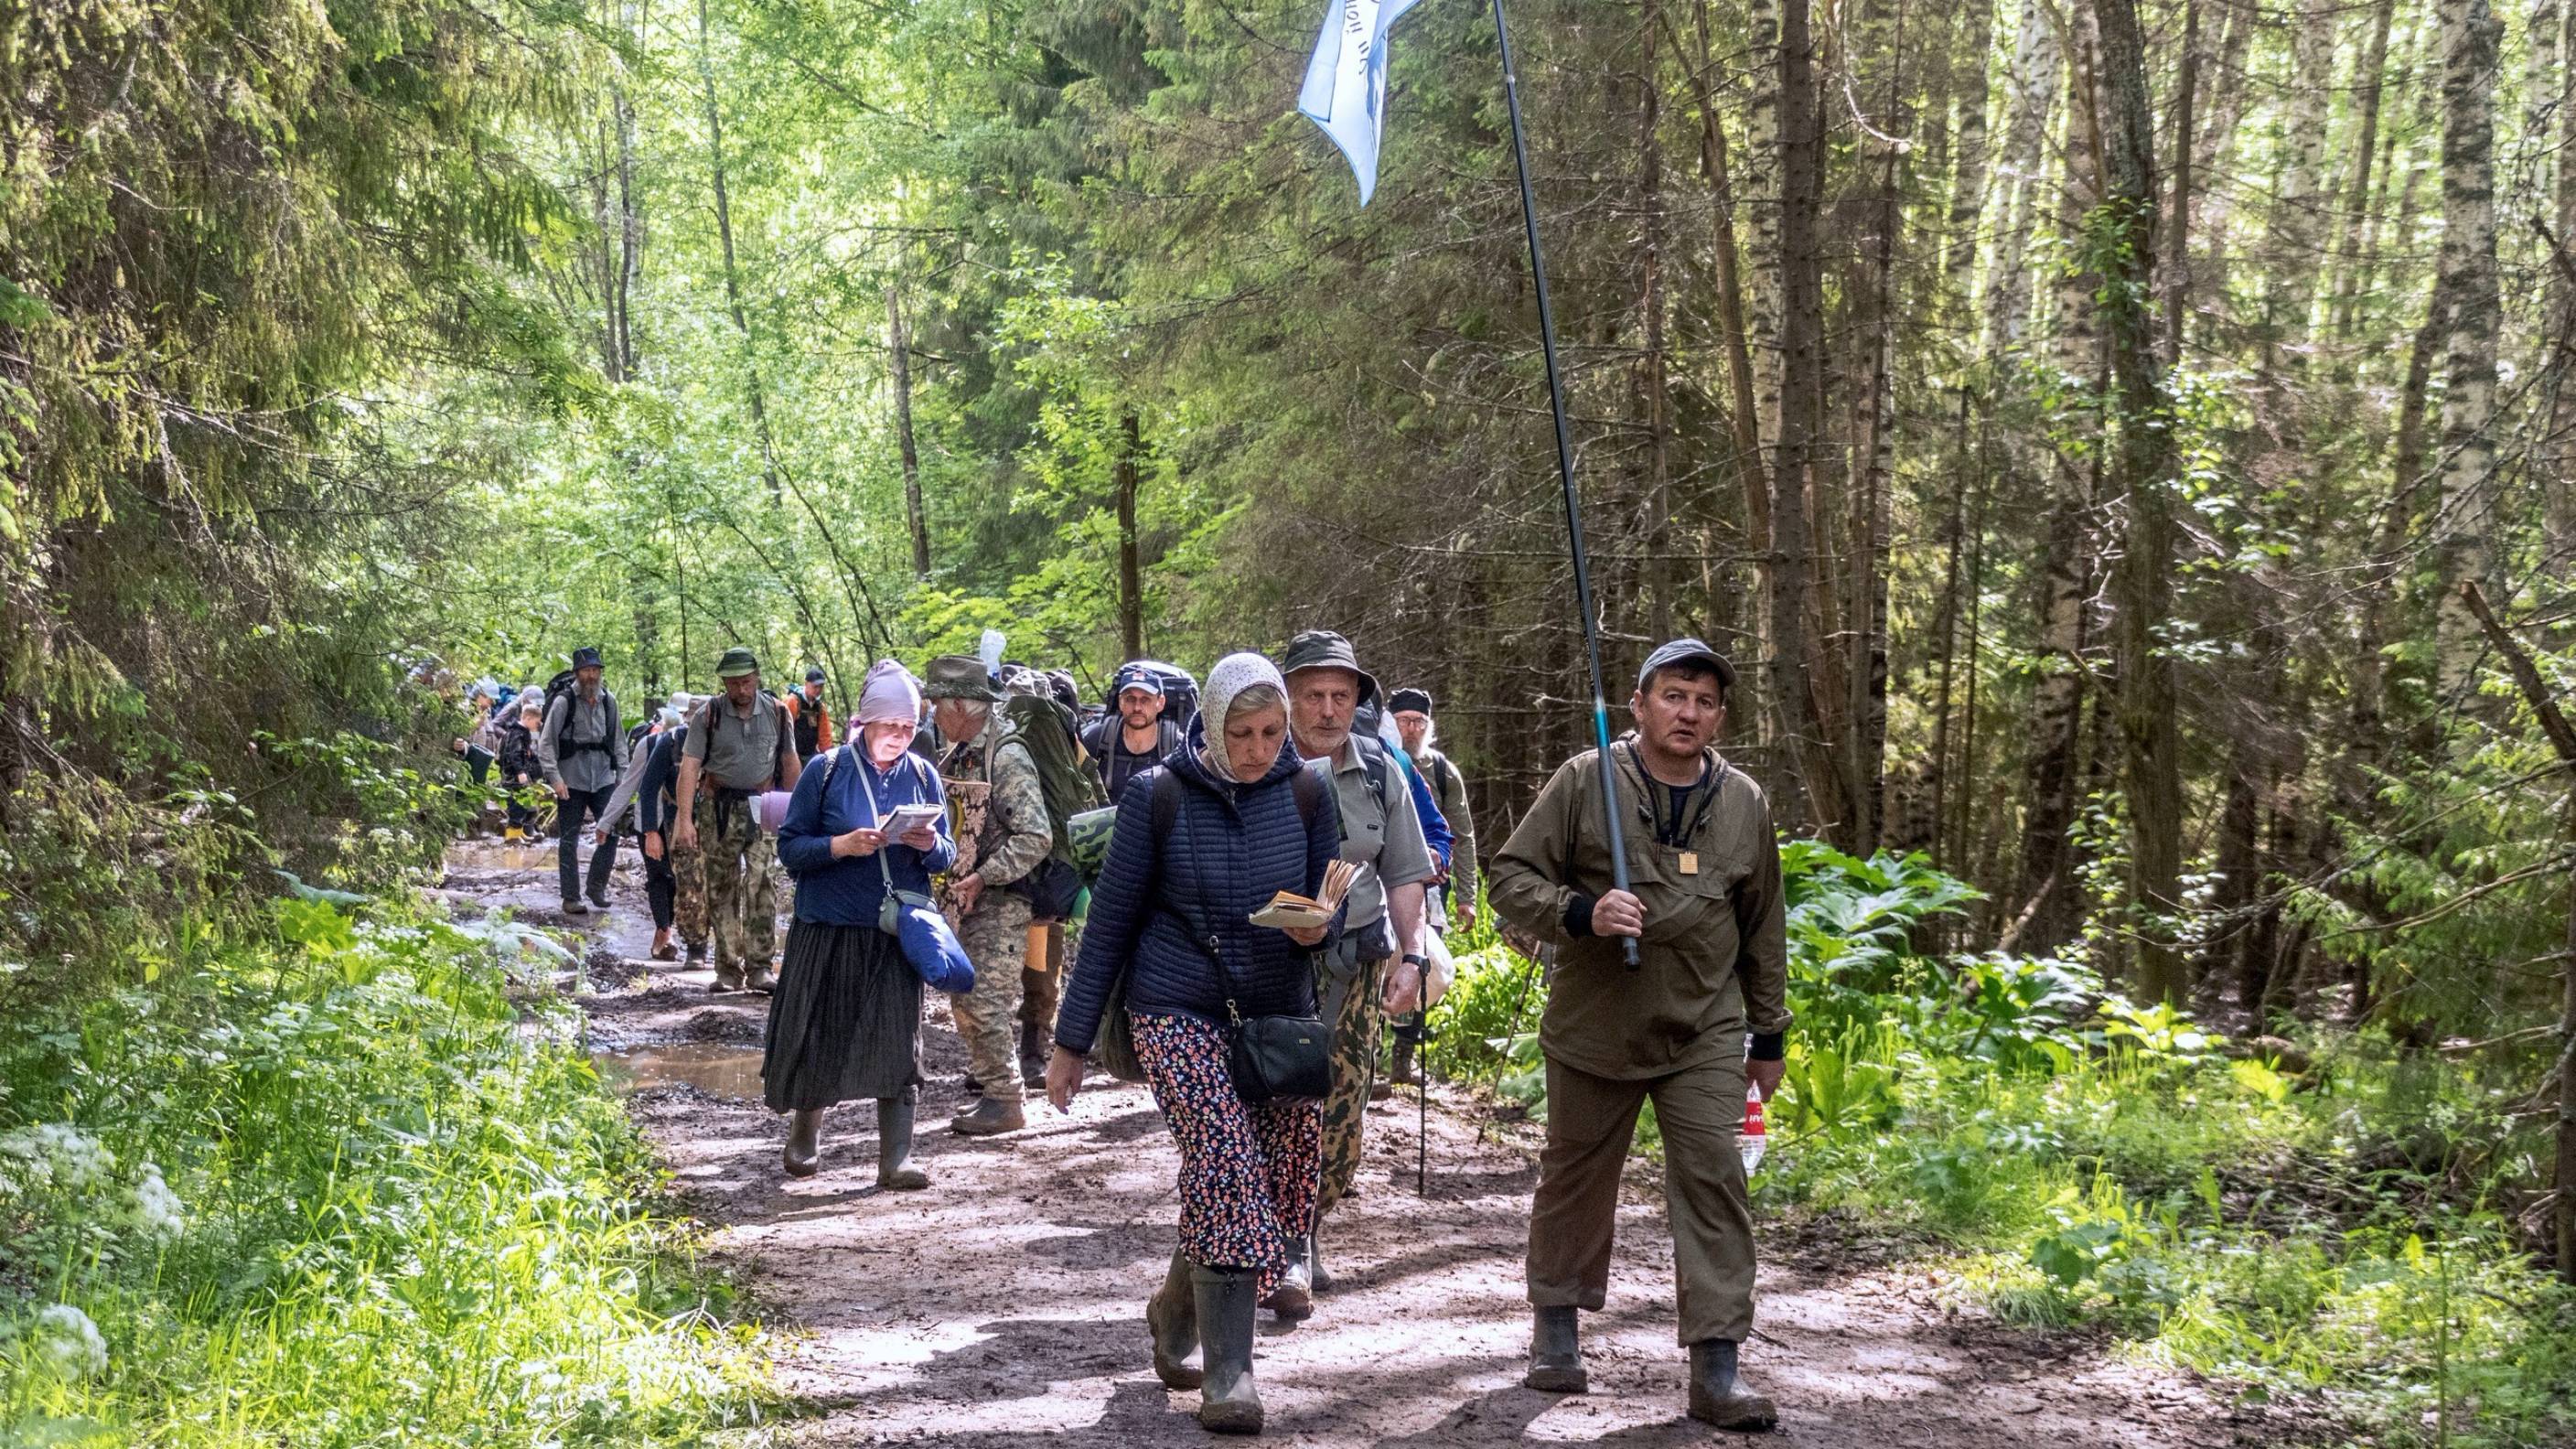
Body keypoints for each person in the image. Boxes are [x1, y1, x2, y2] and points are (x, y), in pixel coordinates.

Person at [1486, 638, 1791, 1431]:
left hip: (1704, 1029)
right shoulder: (1587, 779)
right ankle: (1556, 1332)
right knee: (1576, 1179)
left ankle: (1717, 1367)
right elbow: (1510, 878)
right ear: (1641, 704)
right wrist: (1581, 913)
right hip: (1595, 1025)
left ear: (1719, 716)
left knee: (1715, 1177)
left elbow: (1765, 929)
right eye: (1674, 696)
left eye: (1704, 701)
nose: (1689, 713)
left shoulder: (1745, 802)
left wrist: (1769, 1035)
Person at [1046, 652, 1341, 1434]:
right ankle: (1231, 1375)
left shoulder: (1312, 791)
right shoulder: (1159, 796)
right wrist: (1070, 1043)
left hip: (1277, 1014)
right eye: (1240, 733)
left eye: (1271, 732)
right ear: (1210, 725)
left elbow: (1331, 912)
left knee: (1274, 1178)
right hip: (1175, 1008)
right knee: (1224, 1160)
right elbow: (1108, 924)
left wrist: (1322, 928)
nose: (1257, 749)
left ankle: (1177, 1314)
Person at [1278, 629, 1434, 1299]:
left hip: (1355, 964)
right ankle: (1275, 1241)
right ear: (1286, 697)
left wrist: (1414, 954)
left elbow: (1404, 871)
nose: (1327, 709)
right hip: (1269, 965)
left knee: (1343, 1111)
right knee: (1272, 1098)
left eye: (1340, 695)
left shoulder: (1378, 768)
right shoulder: (1256, 758)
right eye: (1312, 694)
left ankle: (1306, 1225)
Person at [767, 660, 953, 1185]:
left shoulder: (924, 774)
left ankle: (896, 1158)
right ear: (865, 722)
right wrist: (841, 846)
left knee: (901, 1041)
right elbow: (791, 849)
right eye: (889, 726)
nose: (898, 737)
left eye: (908, 728)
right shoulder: (825, 770)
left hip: (896, 932)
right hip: (829, 928)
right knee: (823, 1033)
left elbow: (947, 855)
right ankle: (805, 1138)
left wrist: (928, 844)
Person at [924, 654, 1054, 1136]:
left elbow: (1035, 837)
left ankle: (1005, 1099)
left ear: (962, 705)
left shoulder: (1007, 755)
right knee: (966, 996)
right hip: (971, 898)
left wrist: (984, 877)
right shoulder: (961, 752)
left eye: (938, 703)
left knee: (984, 999)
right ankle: (995, 1092)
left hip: (1003, 901)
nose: (934, 713)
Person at [673, 647, 803, 993]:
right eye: (733, 684)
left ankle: (760, 966)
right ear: (724, 683)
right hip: (718, 808)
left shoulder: (778, 713)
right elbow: (689, 768)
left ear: (757, 678)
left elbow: (790, 762)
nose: (741, 691)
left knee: (763, 881)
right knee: (721, 886)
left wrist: (799, 813)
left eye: (746, 683)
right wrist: (684, 821)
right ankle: (728, 968)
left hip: (765, 805)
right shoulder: (708, 715)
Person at [1385, 687, 1476, 1089]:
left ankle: (1403, 1057)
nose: (1411, 728)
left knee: (1422, 966)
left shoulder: (1442, 771)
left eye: (1419, 721)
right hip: (1386, 883)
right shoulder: (1379, 761)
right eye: (1404, 720)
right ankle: (1366, 1057)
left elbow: (1464, 835)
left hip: (1433, 889)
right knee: (1376, 963)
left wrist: (1469, 896)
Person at [599, 695, 697, 961]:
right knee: (658, 876)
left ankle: (666, 931)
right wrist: (606, 822)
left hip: (682, 822)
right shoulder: (650, 744)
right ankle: (664, 933)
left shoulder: (705, 747)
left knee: (679, 880)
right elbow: (630, 785)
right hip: (650, 821)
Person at [538, 647, 629, 916]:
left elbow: (620, 743)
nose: (591, 676)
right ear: (578, 673)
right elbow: (546, 744)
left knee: (611, 831)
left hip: (603, 778)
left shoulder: (609, 702)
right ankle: (570, 897)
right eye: (587, 670)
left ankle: (596, 886)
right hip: (571, 780)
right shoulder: (563, 702)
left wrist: (622, 782)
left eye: (595, 670)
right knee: (569, 840)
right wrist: (555, 778)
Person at [1085, 661, 1180, 802]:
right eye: (1130, 699)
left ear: (1160, 703)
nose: (1137, 707)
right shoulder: (1097, 740)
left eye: (1145, 700)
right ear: (1120, 702)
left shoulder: (1177, 747)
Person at [497, 692, 547, 840]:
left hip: (517, 777)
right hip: (512, 778)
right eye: (537, 722)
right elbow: (514, 754)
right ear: (527, 718)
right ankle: (512, 837)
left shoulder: (522, 734)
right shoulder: (516, 734)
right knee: (516, 806)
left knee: (524, 804)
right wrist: (520, 771)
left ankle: (519, 833)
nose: (538, 726)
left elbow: (524, 753)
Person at [782, 665, 837, 763]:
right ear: (806, 684)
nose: (818, 690)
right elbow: (781, 728)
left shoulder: (820, 707)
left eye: (821, 687)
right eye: (815, 686)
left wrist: (830, 757)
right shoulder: (793, 701)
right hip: (792, 756)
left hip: (810, 755)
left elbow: (825, 736)